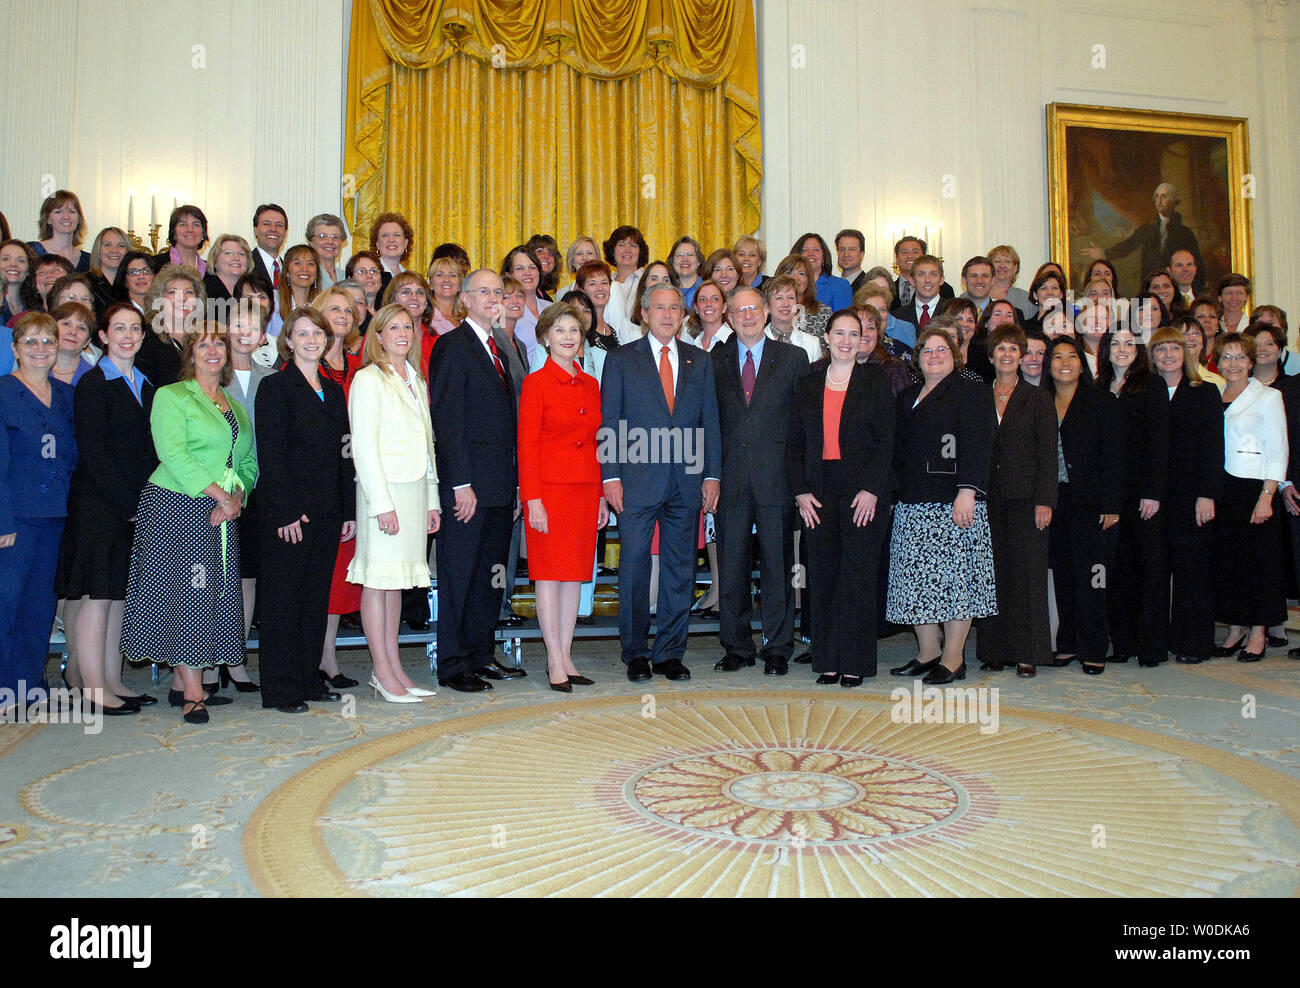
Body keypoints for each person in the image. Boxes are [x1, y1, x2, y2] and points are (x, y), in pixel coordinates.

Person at [121, 326, 258, 724]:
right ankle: (193, 691)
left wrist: (238, 498)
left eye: (220, 344)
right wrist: (220, 495)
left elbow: (247, 463)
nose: (213, 351)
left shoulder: (235, 405)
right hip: (177, 506)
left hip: (222, 512)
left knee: (209, 596)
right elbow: (173, 454)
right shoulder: (172, 396)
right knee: (185, 598)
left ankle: (187, 681)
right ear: (191, 355)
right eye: (204, 345)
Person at [601, 282, 721, 683]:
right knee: (633, 568)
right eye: (659, 308)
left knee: (680, 570)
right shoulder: (620, 360)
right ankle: (635, 652)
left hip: (686, 484)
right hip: (635, 482)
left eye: (674, 308)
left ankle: (670, 652)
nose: (668, 315)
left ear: (683, 316)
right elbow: (610, 422)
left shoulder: (698, 361)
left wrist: (713, 475)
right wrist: (611, 477)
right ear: (645, 314)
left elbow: (710, 424)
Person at [56, 303, 157, 714]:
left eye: (134, 328)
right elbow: (95, 454)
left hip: (134, 503)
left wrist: (143, 501)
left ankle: (114, 680)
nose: (127, 335)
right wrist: (128, 502)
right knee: (97, 596)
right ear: (103, 336)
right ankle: (93, 688)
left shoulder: (147, 384)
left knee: (118, 595)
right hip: (100, 504)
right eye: (119, 328)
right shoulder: (94, 383)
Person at [255, 308, 355, 713]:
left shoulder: (332, 391)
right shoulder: (275, 388)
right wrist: (285, 512)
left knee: (315, 599)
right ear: (289, 341)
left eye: (318, 332)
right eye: (302, 333)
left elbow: (344, 455)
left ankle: (309, 678)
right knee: (283, 601)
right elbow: (271, 456)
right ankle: (281, 688)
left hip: (329, 512)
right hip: (290, 515)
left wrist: (348, 510)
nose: (312, 339)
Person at [786, 308, 893, 684]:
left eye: (855, 334)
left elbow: (886, 443)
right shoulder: (807, 385)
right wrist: (799, 491)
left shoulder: (876, 382)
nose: (847, 341)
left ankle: (855, 662)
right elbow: (794, 444)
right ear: (827, 338)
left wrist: (872, 490)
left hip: (862, 492)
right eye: (840, 333)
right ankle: (827, 659)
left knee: (857, 576)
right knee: (823, 575)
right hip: (818, 492)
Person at [428, 270, 522, 692]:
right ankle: (452, 663)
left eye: (497, 292)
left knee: (491, 576)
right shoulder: (452, 345)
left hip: (502, 485)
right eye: (482, 291)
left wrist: (518, 485)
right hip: (468, 488)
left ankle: (481, 654)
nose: (492, 297)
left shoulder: (502, 345)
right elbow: (447, 421)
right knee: (459, 575)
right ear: (464, 299)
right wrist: (460, 483)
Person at [887, 325, 997, 684]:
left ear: (955, 356)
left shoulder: (972, 392)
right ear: (917, 359)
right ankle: (927, 651)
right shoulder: (907, 397)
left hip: (954, 502)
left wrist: (968, 491)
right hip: (913, 500)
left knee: (955, 581)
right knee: (917, 580)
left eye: (941, 350)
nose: (934, 356)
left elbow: (980, 444)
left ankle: (953, 658)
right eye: (927, 351)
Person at [712, 287, 808, 676]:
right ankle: (736, 646)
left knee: (778, 566)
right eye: (739, 310)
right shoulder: (713, 360)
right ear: (729, 317)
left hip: (777, 479)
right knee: (731, 566)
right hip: (729, 479)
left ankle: (777, 648)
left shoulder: (794, 358)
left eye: (754, 308)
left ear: (767, 312)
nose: (747, 315)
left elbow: (803, 425)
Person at [348, 303, 440, 701]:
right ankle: (381, 671)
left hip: (415, 492)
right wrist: (381, 504)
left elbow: (427, 446)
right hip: (383, 495)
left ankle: (394, 668)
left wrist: (432, 500)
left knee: (397, 584)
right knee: (378, 581)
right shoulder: (369, 379)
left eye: (408, 326)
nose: (403, 333)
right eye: (393, 327)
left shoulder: (415, 379)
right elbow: (364, 449)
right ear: (378, 336)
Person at [517, 304, 606, 691]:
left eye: (574, 330)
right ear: (545, 338)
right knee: (549, 576)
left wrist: (601, 495)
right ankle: (553, 658)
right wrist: (532, 500)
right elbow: (527, 446)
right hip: (549, 493)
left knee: (575, 576)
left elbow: (598, 444)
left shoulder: (590, 383)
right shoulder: (536, 383)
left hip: (586, 491)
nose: (568, 336)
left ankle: (567, 654)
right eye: (560, 330)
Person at [0, 313, 79, 704]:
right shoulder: (2, 393)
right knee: (7, 602)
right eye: (30, 342)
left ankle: (30, 682)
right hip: (14, 519)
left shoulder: (66, 396)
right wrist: (3, 520)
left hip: (56, 517)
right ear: (15, 349)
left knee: (40, 605)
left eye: (48, 341)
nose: (40, 349)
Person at [978, 325, 1057, 678]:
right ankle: (995, 649)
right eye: (1001, 349)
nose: (1007, 355)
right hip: (988, 500)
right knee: (992, 574)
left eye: (1013, 349)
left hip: (1027, 499)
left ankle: (1028, 653)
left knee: (1027, 575)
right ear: (991, 356)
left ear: (1022, 356)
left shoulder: (1038, 398)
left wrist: (1045, 501)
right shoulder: (979, 395)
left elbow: (1048, 455)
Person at [1043, 336, 1121, 675]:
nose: (1064, 362)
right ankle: (1069, 642)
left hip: (1092, 502)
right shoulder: (1040, 401)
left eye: (1071, 356)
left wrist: (1112, 503)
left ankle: (1094, 645)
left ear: (1082, 363)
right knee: (1063, 574)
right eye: (1057, 356)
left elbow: (1116, 459)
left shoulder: (1101, 402)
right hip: (1055, 500)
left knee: (1093, 577)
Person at [1147, 326, 1222, 665]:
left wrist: (1207, 494)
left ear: (1185, 353)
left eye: (1174, 349)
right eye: (1160, 349)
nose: (1168, 355)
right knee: (1157, 571)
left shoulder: (1204, 392)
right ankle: (1158, 642)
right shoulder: (1146, 392)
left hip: (1192, 495)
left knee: (1192, 571)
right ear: (1152, 356)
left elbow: (1212, 447)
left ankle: (1193, 643)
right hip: (1153, 497)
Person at [1212, 333, 1287, 662]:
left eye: (1239, 357)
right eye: (1226, 357)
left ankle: (1258, 631)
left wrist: (1267, 495)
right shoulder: (1213, 393)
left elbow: (1278, 448)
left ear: (1251, 361)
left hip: (1254, 487)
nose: (1233, 364)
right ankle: (1235, 627)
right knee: (1229, 562)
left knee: (1259, 564)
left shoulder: (1269, 397)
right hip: (1222, 486)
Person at [1099, 328, 1171, 667]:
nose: (1122, 349)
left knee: (1149, 570)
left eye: (1130, 343)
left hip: (1143, 494)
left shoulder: (1151, 384)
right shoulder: (1098, 387)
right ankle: (1123, 643)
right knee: (1118, 571)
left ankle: (1151, 647)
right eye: (1115, 343)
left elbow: (1160, 442)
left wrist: (1152, 492)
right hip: (1111, 495)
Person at [225, 302, 273, 668]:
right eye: (237, 324)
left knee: (249, 576)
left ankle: (237, 660)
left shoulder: (271, 377)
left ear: (262, 336)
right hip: (218, 490)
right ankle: (209, 663)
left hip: (259, 490)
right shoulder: (210, 376)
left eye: (252, 327)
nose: (245, 333)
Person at [1081, 182, 1203, 283]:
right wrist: (1104, 253)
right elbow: (1128, 246)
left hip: (1174, 286)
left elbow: (1197, 263)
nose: (1159, 201)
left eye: (1164, 196)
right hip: (1149, 285)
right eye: (1157, 196)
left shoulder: (1185, 234)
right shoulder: (1148, 229)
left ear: (1173, 201)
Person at [136, 264, 204, 388]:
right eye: (173, 292)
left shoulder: (205, 337)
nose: (182, 298)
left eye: (189, 292)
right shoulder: (145, 339)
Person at [501, 245, 551, 361]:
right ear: (508, 275)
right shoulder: (505, 311)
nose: (527, 273)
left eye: (532, 267)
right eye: (520, 268)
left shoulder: (551, 307)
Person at [602, 225, 649, 345]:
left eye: (633, 245)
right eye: (621, 244)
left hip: (640, 346)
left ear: (640, 252)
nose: (627, 250)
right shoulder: (604, 283)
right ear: (612, 251)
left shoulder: (648, 281)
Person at [763, 274, 822, 363]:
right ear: (767, 306)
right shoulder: (757, 342)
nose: (786, 303)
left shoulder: (812, 343)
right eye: (779, 298)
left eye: (791, 298)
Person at [772, 254, 830, 345]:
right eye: (788, 273)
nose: (795, 278)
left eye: (801, 274)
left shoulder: (824, 312)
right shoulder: (769, 311)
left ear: (808, 280)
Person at [890, 253, 950, 339]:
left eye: (933, 274)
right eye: (921, 274)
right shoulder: (897, 317)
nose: (927, 280)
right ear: (912, 280)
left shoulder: (953, 313)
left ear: (941, 280)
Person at [29, 190, 91, 272]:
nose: (66, 216)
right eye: (58, 212)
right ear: (48, 219)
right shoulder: (32, 251)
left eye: (71, 211)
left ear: (79, 219)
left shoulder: (88, 260)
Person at [892, 235, 954, 310]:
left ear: (924, 256)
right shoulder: (888, 288)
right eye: (904, 252)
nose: (910, 256)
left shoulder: (943, 288)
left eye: (915, 252)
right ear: (897, 259)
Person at [791, 233, 852, 310]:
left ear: (824, 255)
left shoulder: (840, 286)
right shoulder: (788, 285)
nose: (810, 253)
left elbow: (843, 320)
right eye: (805, 250)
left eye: (816, 249)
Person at [151, 205, 209, 275]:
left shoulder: (211, 271)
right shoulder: (154, 265)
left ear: (203, 232)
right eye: (183, 224)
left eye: (196, 224)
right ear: (174, 233)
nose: (190, 229)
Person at [49, 302, 96, 387]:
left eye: (81, 328)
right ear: (52, 329)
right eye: (66, 324)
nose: (73, 332)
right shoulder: (34, 369)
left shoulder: (95, 378)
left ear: (87, 341)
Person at [987, 245, 1036, 320]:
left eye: (1007, 261)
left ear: (1015, 268)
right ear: (989, 267)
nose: (1002, 265)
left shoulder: (1027, 299)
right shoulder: (972, 296)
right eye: (997, 261)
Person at [88, 227, 130, 314]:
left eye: (121, 245)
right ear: (98, 250)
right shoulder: (85, 282)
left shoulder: (133, 283)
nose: (114, 250)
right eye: (107, 245)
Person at [684, 279, 731, 353]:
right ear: (696, 308)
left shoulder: (735, 341)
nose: (708, 303)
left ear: (724, 307)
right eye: (702, 299)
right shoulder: (693, 345)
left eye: (715, 299)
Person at [203, 234, 251, 305]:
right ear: (215, 259)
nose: (236, 258)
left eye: (241, 254)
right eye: (228, 253)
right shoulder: (203, 292)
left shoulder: (255, 292)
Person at [370, 211, 415, 285]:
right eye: (385, 235)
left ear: (405, 243)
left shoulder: (411, 280)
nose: (391, 240)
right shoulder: (371, 276)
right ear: (377, 244)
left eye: (396, 235)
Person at [250, 204, 289, 288]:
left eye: (279, 225)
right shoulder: (245, 266)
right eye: (267, 224)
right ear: (255, 230)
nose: (273, 229)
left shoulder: (290, 271)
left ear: (285, 232)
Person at [306, 214, 348, 287]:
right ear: (311, 242)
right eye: (322, 236)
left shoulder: (347, 277)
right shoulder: (306, 275)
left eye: (335, 237)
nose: (330, 242)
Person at [556, 236, 600, 302]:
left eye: (590, 253)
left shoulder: (609, 288)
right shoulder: (561, 293)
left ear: (597, 259)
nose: (585, 258)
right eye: (579, 253)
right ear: (572, 261)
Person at [1, 239, 34, 326]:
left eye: (21, 260)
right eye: (6, 259)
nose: (13, 264)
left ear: (28, 270)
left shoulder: (34, 307)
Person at [427, 256, 463, 335]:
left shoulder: (466, 320)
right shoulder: (425, 319)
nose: (447, 279)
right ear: (430, 284)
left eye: (452, 275)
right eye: (440, 275)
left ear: (460, 285)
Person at [670, 237, 704, 308]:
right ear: (673, 262)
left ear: (698, 261)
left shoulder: (708, 289)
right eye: (680, 255)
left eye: (690, 254)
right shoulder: (668, 291)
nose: (685, 259)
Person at [835, 230, 867, 294]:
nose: (846, 254)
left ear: (861, 254)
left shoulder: (868, 286)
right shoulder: (831, 287)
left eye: (852, 249)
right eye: (842, 249)